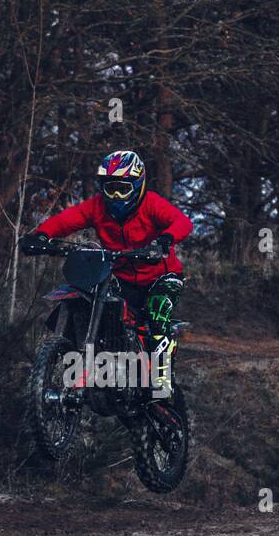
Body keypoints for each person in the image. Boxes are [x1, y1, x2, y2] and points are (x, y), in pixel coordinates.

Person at [20, 150, 193, 395]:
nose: (115, 195)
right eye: (109, 188)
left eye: (122, 188)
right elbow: (67, 220)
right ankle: (98, 365)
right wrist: (41, 235)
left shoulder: (152, 204)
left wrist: (166, 238)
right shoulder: (97, 207)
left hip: (162, 277)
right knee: (94, 302)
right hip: (122, 277)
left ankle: (162, 384)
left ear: (138, 184)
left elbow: (183, 222)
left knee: (156, 313)